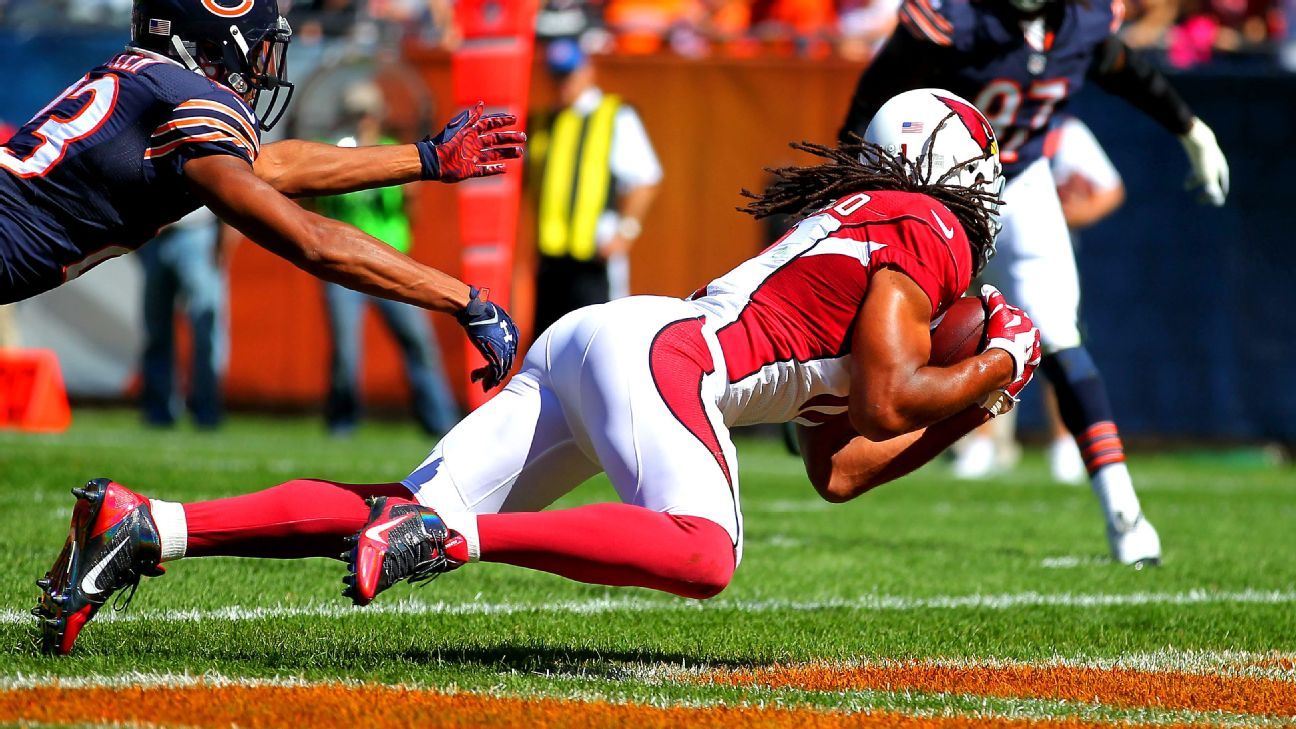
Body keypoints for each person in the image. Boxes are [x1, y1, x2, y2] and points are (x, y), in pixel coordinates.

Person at [35, 89, 1043, 655]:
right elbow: (885, 398)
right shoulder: (927, 223)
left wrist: (983, 396)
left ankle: (148, 522)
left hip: (618, 341)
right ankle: (456, 536)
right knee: (705, 554)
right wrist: (1003, 353)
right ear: (942, 161)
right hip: (663, 356)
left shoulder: (869, 225)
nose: (987, 186)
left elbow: (843, 467)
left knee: (396, 504)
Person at [839, 0, 1232, 567]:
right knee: (870, 324)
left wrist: (1189, 127)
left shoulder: (1085, 22)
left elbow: (1127, 70)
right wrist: (852, 181)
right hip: (930, 190)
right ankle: (804, 412)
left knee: (1058, 338)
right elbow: (874, 94)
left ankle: (1123, 509)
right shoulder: (957, 18)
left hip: (1019, 185)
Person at [0, 0, 522, 396]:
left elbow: (273, 165)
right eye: (258, 46)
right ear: (213, 40)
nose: (262, 66)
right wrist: (465, 300)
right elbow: (312, 240)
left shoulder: (148, 84)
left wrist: (426, 158)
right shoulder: (189, 100)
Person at [954, 115, 1126, 484]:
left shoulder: (1063, 131)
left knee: (1056, 342)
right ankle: (983, 441)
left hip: (1041, 252)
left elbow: (1111, 189)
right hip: (982, 246)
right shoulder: (976, 122)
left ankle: (1065, 444)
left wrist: (1061, 218)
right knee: (979, 339)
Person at [315, 83, 459, 437]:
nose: (361, 120)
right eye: (355, 114)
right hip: (343, 265)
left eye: (366, 113)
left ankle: (440, 423)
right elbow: (314, 206)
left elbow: (411, 209)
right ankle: (342, 423)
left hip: (390, 260)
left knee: (418, 342)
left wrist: (411, 191)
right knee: (346, 352)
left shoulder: (393, 153)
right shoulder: (335, 153)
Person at [531, 37, 662, 336]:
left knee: (598, 340)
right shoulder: (543, 122)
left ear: (587, 71)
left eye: (569, 73)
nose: (563, 82)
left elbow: (646, 177)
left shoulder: (613, 115)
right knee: (548, 344)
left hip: (595, 258)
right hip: (551, 259)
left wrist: (626, 231)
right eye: (556, 74)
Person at [137, 207, 233, 429]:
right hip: (154, 234)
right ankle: (159, 411)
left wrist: (224, 234)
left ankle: (207, 411)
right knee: (156, 329)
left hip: (197, 231)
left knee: (205, 328)